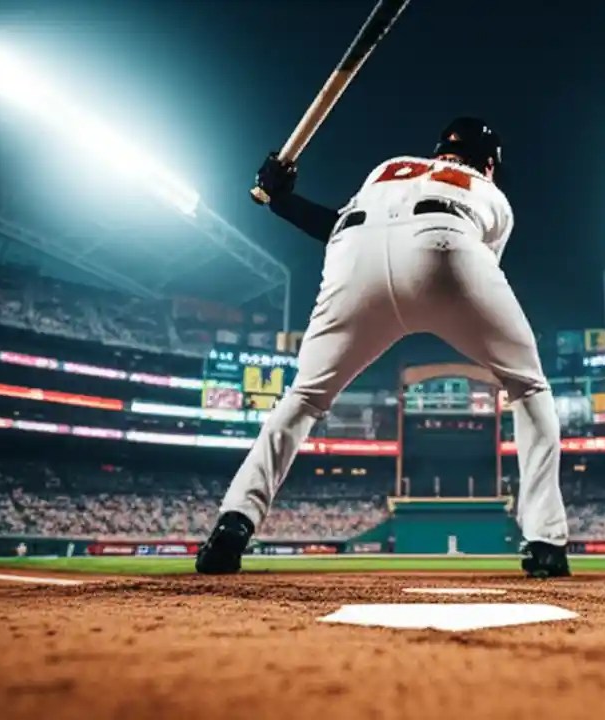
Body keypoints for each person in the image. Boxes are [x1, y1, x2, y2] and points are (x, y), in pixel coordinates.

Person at [197, 118, 569, 577]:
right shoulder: (492, 194)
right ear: (489, 165)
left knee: (303, 399)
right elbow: (470, 272)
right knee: (528, 388)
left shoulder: (390, 167)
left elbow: (335, 224)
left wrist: (280, 200)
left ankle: (233, 525)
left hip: (353, 254)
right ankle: (545, 544)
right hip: (445, 246)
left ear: (438, 153)